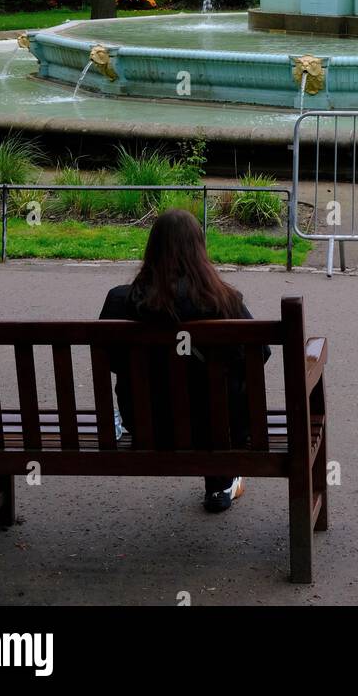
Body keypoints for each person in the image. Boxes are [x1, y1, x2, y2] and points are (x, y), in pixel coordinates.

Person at [99, 208, 269, 514]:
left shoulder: (120, 301)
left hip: (146, 424)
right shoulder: (225, 302)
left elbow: (111, 361)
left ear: (152, 249)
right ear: (199, 250)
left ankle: (221, 482)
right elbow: (258, 358)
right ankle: (221, 482)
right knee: (220, 393)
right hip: (217, 429)